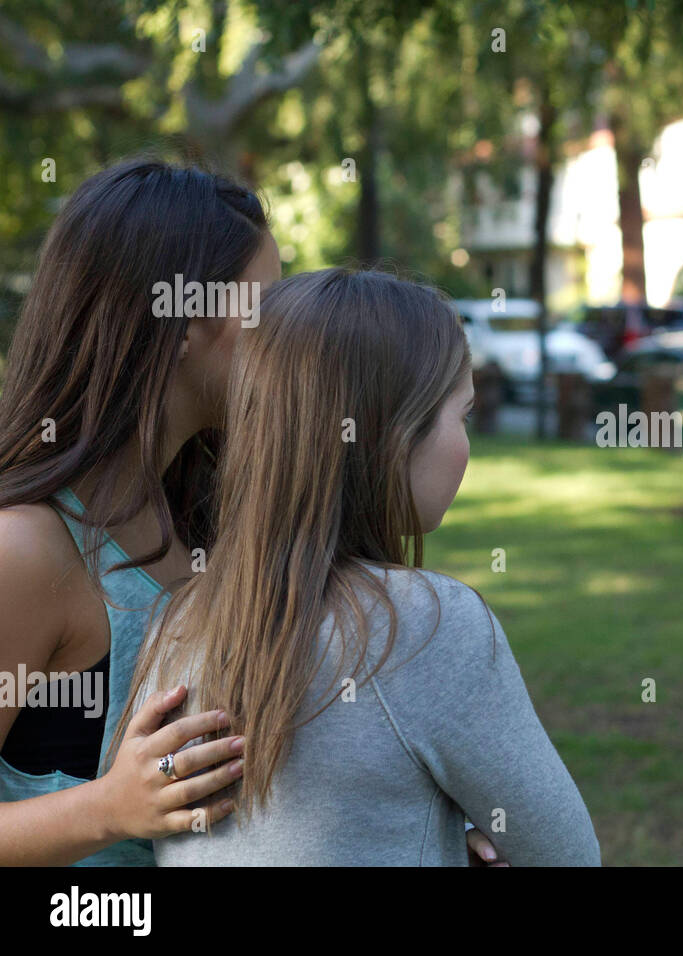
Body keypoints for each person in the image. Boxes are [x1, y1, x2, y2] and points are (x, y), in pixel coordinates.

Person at [117, 268, 600, 866]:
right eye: (463, 416)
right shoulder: (428, 624)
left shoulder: (174, 618)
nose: (466, 444)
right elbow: (568, 856)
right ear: (394, 434)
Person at [0, 158, 279, 865]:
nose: (285, 340)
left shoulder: (207, 513)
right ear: (181, 321)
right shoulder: (28, 549)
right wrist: (107, 809)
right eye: (264, 308)